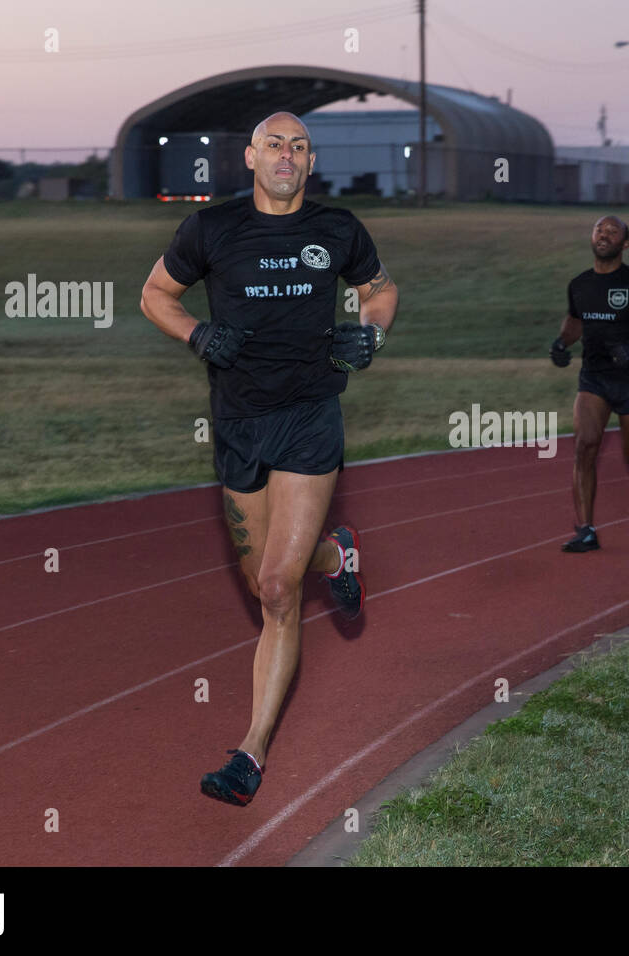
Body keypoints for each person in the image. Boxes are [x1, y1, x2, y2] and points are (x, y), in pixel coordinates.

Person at [139, 111, 399, 806]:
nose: (288, 154)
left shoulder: (338, 229)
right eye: (275, 144)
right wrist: (196, 334)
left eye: (300, 146)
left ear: (311, 163)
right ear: (251, 157)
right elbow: (155, 294)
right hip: (238, 423)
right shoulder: (210, 229)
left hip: (310, 417)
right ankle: (334, 555)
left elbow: (380, 292)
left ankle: (250, 755)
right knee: (264, 583)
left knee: (280, 591)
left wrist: (371, 335)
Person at [550, 215, 629, 552]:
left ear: (625, 243)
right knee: (585, 446)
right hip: (594, 378)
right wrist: (562, 343)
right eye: (599, 229)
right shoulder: (579, 285)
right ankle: (586, 530)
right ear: (591, 237)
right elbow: (575, 322)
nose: (604, 234)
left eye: (612, 231)